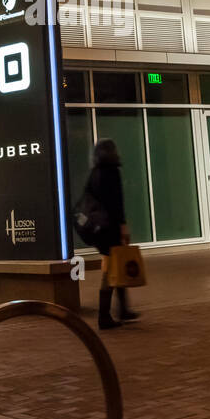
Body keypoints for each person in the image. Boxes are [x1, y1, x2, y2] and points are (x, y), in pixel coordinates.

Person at [80, 138, 140, 330]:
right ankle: (104, 316)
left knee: (115, 264)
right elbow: (116, 203)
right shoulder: (112, 171)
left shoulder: (94, 173)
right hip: (111, 227)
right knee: (111, 269)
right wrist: (123, 226)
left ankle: (122, 309)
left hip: (99, 229)